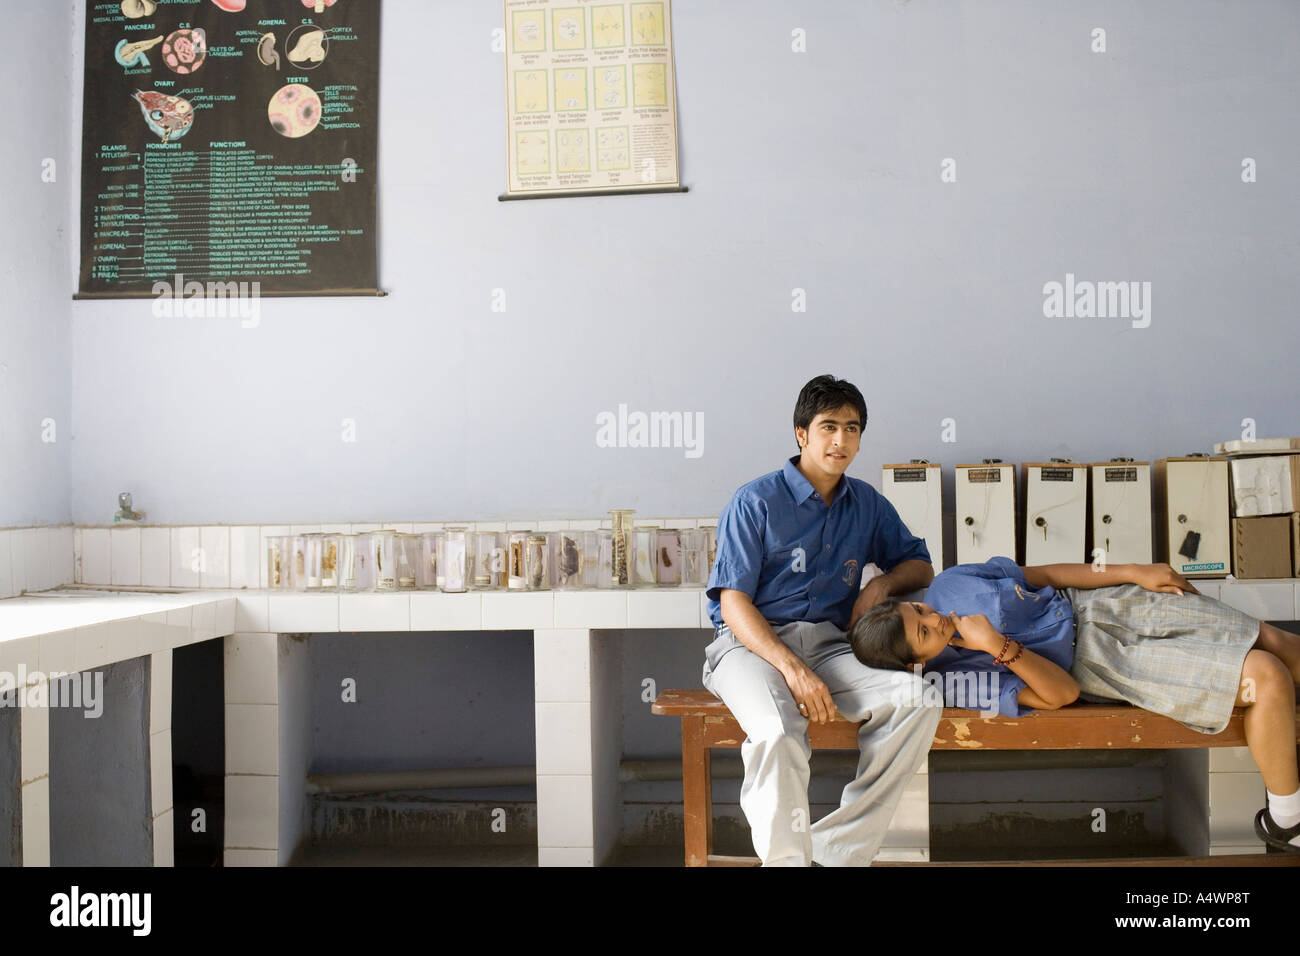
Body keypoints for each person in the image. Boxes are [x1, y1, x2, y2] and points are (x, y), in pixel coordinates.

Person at [848, 556, 1300, 853]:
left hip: (1103, 605)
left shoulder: (949, 583)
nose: (935, 618)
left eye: (921, 611)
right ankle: (1288, 823)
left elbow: (1046, 577)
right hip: (1107, 663)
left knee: (1280, 643)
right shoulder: (955, 682)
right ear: (915, 665)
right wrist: (997, 646)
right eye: (924, 632)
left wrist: (1135, 571)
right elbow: (1060, 695)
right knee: (1267, 676)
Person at [703, 374, 939, 866]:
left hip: (832, 647)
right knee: (776, 729)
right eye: (828, 426)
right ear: (801, 434)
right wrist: (792, 669)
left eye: (852, 429)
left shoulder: (867, 505)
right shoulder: (755, 502)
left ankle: (835, 850)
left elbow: (920, 563)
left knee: (917, 699)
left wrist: (881, 585)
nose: (840, 440)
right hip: (751, 648)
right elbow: (733, 603)